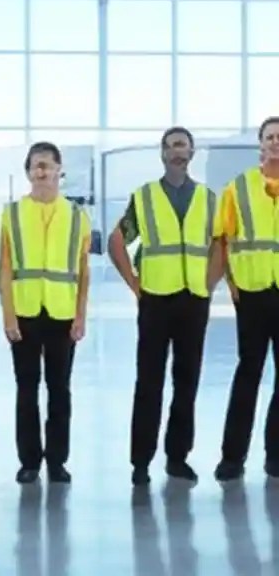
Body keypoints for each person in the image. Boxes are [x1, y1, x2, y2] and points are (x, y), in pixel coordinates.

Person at [107, 127, 217, 486]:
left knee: (188, 381)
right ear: (162, 153)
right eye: (170, 146)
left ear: (192, 151)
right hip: (155, 299)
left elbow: (222, 244)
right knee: (149, 381)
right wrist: (135, 284)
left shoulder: (207, 198)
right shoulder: (145, 197)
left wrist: (209, 284)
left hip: (193, 299)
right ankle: (141, 461)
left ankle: (177, 457)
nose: (176, 152)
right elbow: (116, 241)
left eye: (182, 145)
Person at [0, 141, 91, 485]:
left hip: (63, 312)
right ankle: (29, 461)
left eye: (48, 165)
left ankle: (57, 461)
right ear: (27, 172)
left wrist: (81, 316)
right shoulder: (12, 213)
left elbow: (83, 271)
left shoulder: (78, 215)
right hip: (24, 312)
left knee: (60, 390)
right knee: (27, 389)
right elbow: (4, 268)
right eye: (36, 165)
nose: (42, 171)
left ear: (59, 171)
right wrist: (8, 315)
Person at [214, 116, 279, 482]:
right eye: (269, 137)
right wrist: (231, 285)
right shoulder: (237, 189)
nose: (275, 142)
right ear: (260, 144)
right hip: (252, 295)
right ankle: (232, 457)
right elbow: (222, 238)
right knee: (248, 374)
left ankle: (276, 455)